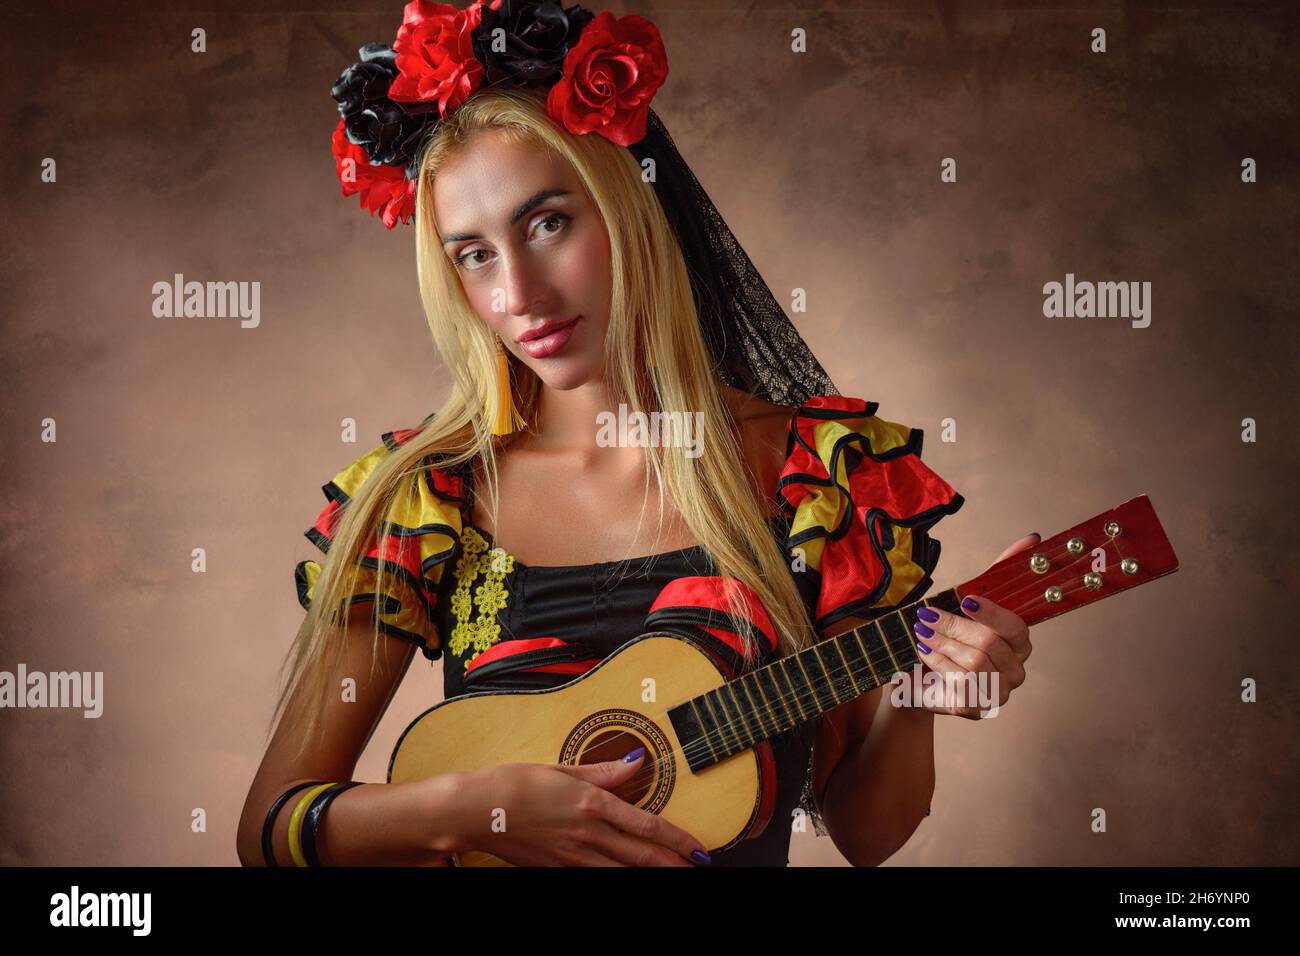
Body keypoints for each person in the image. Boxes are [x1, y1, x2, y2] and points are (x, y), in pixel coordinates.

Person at [236, 0, 1033, 868]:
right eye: (474, 254)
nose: (519, 296)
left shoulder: (809, 475)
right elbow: (269, 830)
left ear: (632, 209)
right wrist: (471, 812)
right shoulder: (428, 496)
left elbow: (866, 834)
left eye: (548, 224)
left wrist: (917, 701)